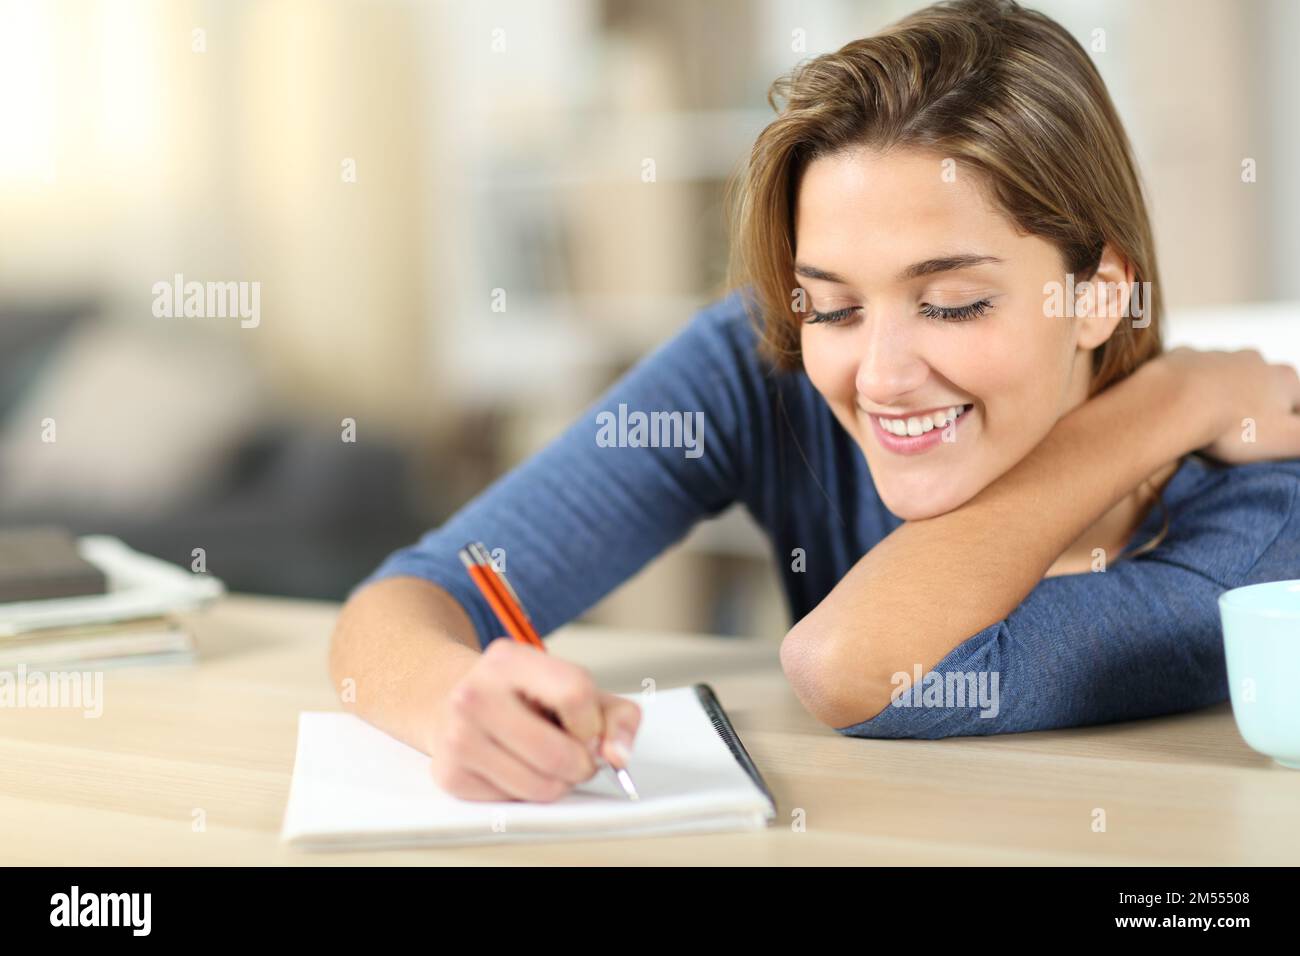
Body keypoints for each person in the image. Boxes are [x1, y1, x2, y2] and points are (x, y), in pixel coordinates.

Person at [329, 0, 1300, 801]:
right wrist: (459, 699)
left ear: (1098, 293)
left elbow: (852, 663)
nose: (877, 376)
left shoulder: (1253, 531)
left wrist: (1162, 407)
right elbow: (401, 606)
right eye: (831, 304)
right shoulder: (767, 365)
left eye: (951, 301)